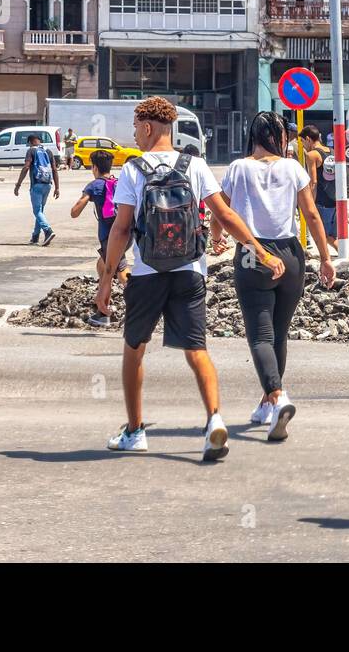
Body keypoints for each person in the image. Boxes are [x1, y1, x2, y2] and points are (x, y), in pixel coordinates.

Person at [96, 96, 282, 460]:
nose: (134, 135)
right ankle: (214, 420)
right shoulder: (194, 165)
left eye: (136, 128)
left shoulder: (134, 170)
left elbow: (120, 230)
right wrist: (260, 250)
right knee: (197, 350)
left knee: (134, 350)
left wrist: (106, 279)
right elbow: (225, 215)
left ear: (149, 127)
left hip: (147, 274)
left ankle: (135, 431)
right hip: (190, 272)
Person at [212, 112, 336, 440]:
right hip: (292, 253)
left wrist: (216, 237)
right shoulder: (292, 167)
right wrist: (325, 257)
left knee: (259, 333)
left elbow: (221, 211)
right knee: (279, 333)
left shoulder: (238, 168)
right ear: (279, 137)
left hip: (254, 253)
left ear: (253, 136)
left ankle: (278, 396)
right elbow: (310, 213)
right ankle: (268, 402)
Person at [69, 149, 126, 327]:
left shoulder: (94, 185)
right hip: (125, 234)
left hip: (110, 237)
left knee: (122, 273)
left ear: (94, 167)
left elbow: (75, 212)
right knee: (102, 268)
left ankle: (142, 306)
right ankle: (102, 313)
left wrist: (82, 201)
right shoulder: (117, 182)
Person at [299, 124, 341, 244]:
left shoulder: (312, 155)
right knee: (331, 235)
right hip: (335, 197)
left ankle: (341, 255)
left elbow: (313, 182)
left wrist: (310, 203)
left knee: (323, 234)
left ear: (308, 139)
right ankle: (343, 254)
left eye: (302, 141)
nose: (303, 145)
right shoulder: (332, 151)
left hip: (322, 200)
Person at [14, 134, 59, 245]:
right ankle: (35, 236)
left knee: (37, 211)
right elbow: (54, 169)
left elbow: (26, 167)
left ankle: (48, 230)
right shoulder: (48, 151)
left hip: (37, 185)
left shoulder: (31, 151)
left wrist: (18, 185)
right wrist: (57, 187)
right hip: (48, 185)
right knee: (40, 211)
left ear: (30, 142)